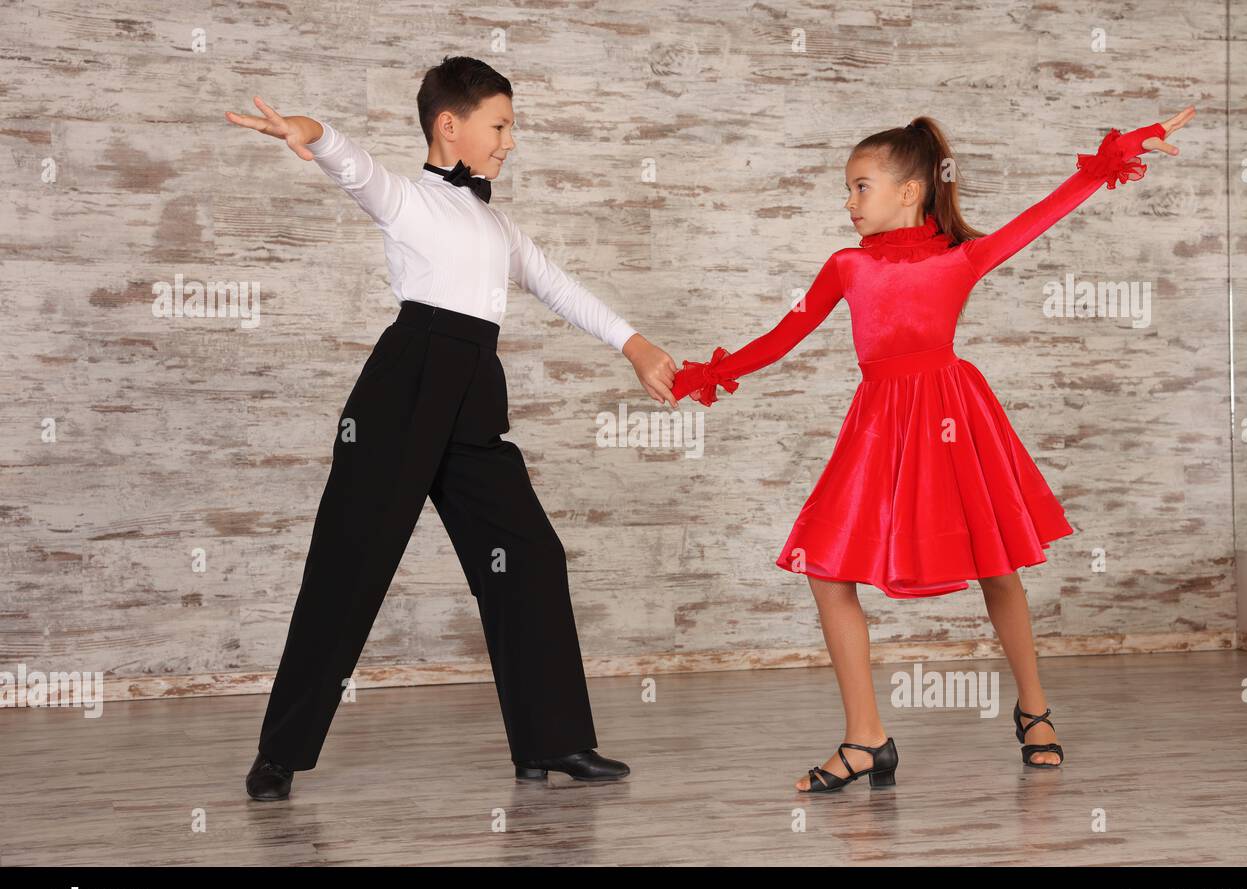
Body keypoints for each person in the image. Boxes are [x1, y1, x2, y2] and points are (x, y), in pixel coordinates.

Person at [672, 107, 1195, 792]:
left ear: (910, 191)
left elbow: (1040, 216)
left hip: (953, 415)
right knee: (824, 565)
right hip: (878, 427)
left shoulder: (960, 258)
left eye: (861, 187)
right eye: (848, 189)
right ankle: (866, 738)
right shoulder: (846, 266)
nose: (849, 201)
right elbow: (782, 335)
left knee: (996, 561)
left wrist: (1112, 158)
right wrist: (699, 377)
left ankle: (1034, 710)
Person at [226, 56, 680, 799]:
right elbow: (351, 163)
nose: (510, 141)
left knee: (529, 556)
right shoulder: (407, 200)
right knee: (349, 565)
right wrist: (306, 130)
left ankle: (553, 742)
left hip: (473, 395)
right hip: (403, 390)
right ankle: (280, 753)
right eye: (500, 126)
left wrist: (634, 345)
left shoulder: (497, 224)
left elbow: (558, 286)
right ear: (449, 125)